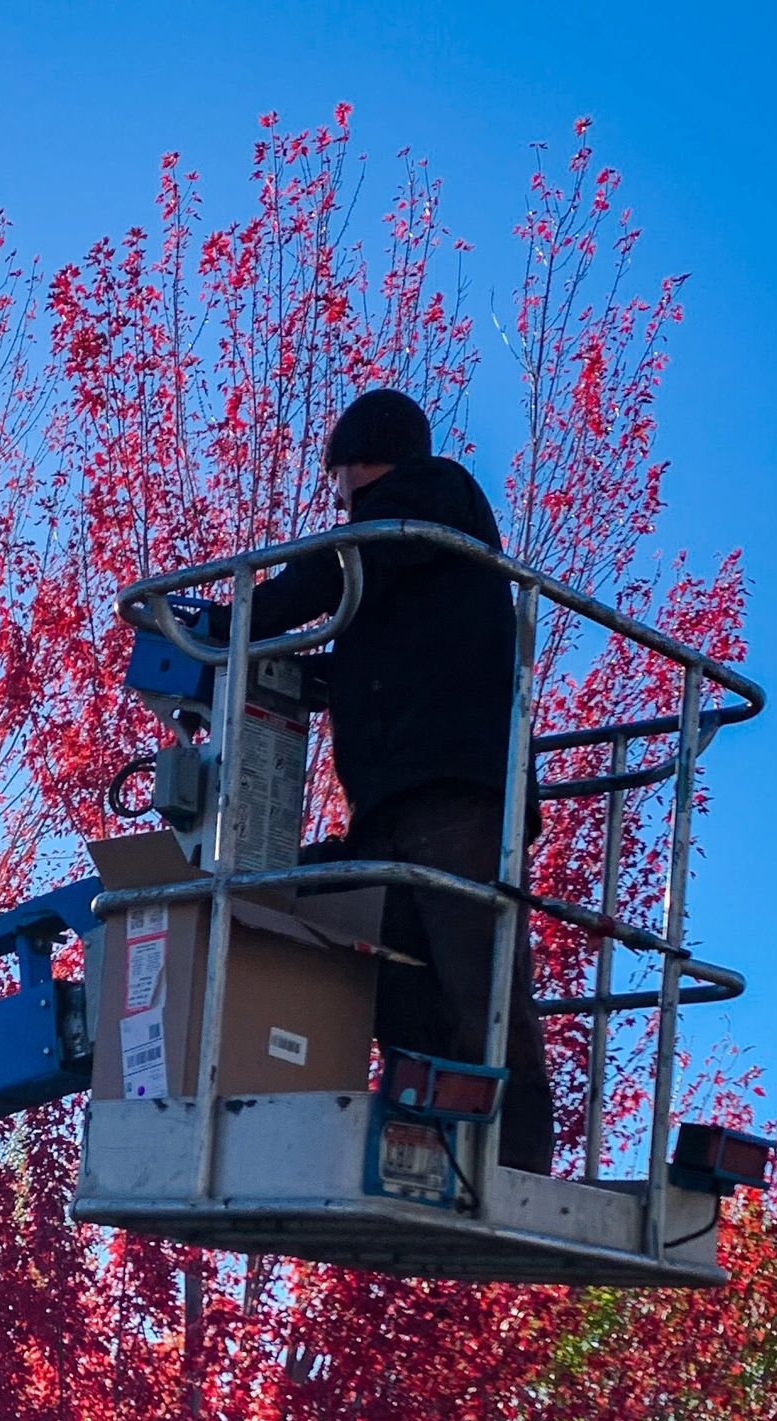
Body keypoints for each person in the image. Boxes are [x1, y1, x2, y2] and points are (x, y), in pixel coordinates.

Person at [207, 386, 555, 1173]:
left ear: (359, 464)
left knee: (480, 986)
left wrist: (227, 624)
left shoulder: (421, 505)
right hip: (409, 794)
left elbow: (330, 573)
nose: (337, 504)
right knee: (390, 981)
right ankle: (438, 1148)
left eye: (337, 485)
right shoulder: (418, 564)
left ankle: (518, 1168)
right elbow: (390, 652)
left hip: (450, 794)